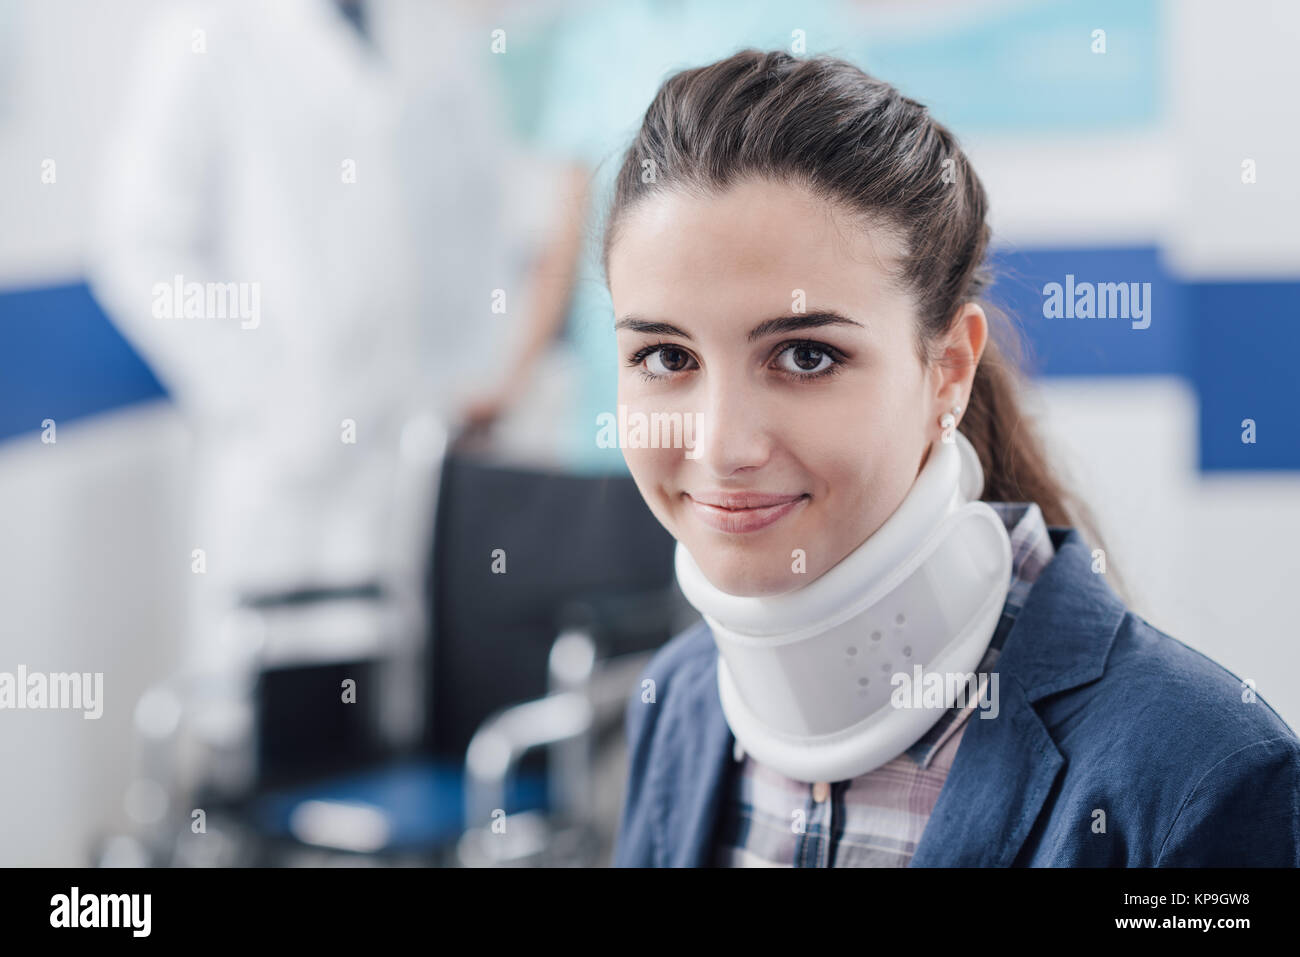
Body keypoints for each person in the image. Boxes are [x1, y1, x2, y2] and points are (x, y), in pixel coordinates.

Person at [604, 49, 1300, 866]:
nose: (722, 446)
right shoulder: (679, 697)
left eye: (805, 357)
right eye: (666, 358)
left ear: (949, 370)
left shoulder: (1197, 776)